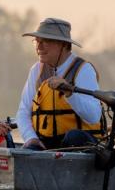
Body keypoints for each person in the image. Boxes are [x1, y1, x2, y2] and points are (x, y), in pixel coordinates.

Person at [16, 18, 106, 151]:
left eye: (45, 41)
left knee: (73, 137)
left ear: (63, 45)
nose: (39, 47)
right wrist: (30, 138)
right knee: (31, 148)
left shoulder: (83, 70)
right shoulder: (36, 70)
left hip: (81, 143)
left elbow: (93, 116)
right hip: (47, 143)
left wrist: (69, 93)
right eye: (37, 41)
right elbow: (23, 112)